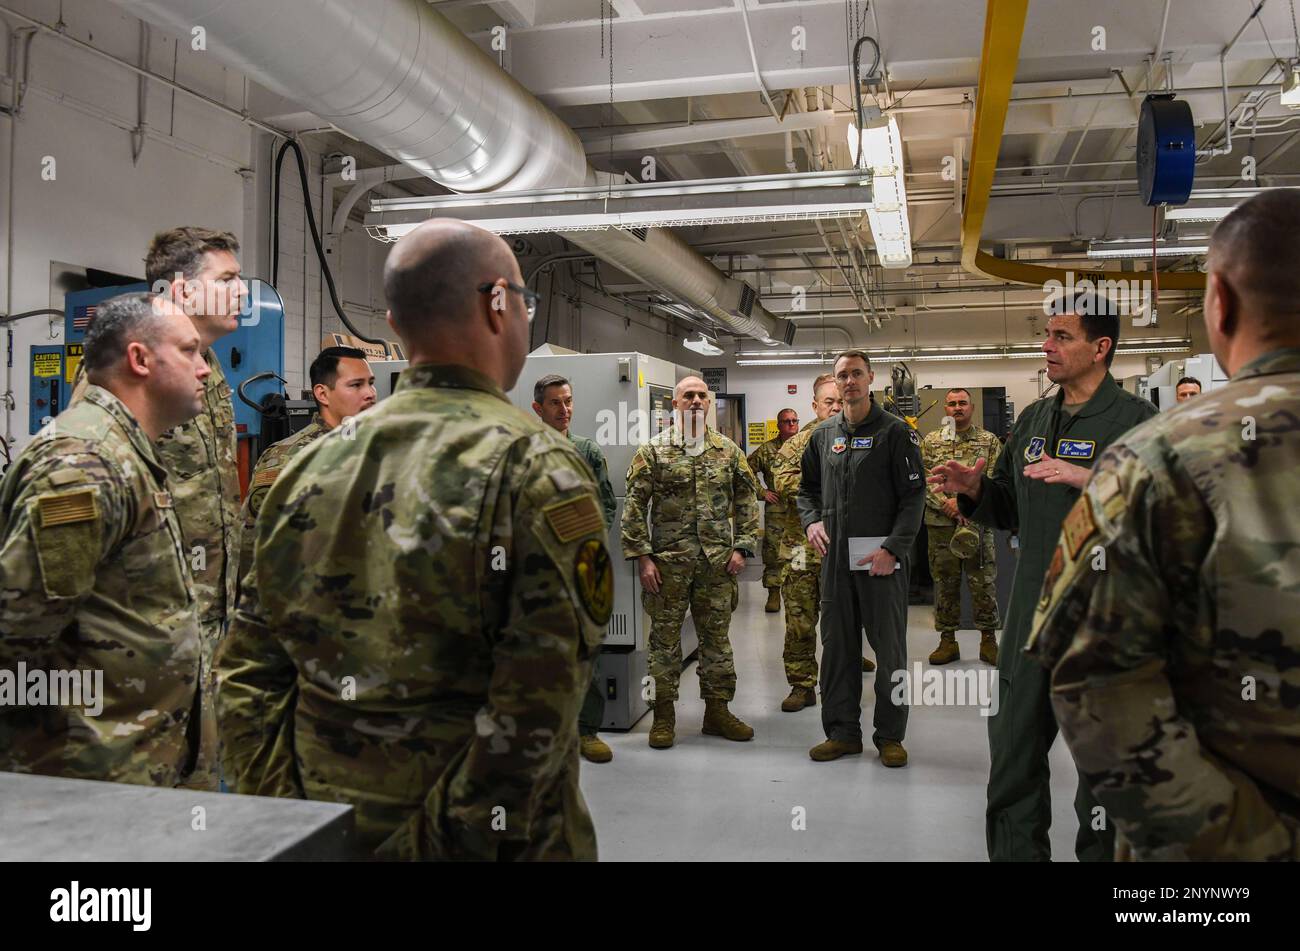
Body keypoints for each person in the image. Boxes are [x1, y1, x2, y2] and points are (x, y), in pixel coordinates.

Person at [218, 219, 607, 860]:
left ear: (394, 325)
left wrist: (294, 816)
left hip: (328, 825)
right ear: (498, 306)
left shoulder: (305, 468)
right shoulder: (538, 470)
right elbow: (536, 710)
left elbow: (248, 670)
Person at [1029, 188, 1300, 860]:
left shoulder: (1161, 457)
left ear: (1220, 303)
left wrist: (1239, 842)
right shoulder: (1070, 431)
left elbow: (1093, 678)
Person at [928, 291, 1156, 862]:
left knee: (1103, 774)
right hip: (1031, 613)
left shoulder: (1139, 424)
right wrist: (975, 489)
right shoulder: (1033, 418)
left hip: (1104, 619)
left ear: (1101, 348)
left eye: (1062, 337)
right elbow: (1009, 506)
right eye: (1046, 334)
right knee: (1012, 754)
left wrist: (1092, 479)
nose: (1046, 346)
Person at [0, 293, 207, 784]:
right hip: (89, 772)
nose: (203, 368)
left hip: (133, 761)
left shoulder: (125, 451)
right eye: (190, 351)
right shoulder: (85, 463)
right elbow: (16, 633)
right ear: (139, 359)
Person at [73, 227, 245, 791]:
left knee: (198, 770)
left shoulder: (208, 368)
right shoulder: (135, 370)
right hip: (143, 626)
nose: (242, 293)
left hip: (203, 614)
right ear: (182, 292)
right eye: (227, 280)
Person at [797, 351, 925, 765]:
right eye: (841, 376)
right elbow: (807, 490)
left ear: (870, 378)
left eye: (855, 374)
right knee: (837, 648)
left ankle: (890, 736)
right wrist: (812, 522)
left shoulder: (895, 433)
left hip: (880, 560)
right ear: (833, 384)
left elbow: (914, 497)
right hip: (835, 559)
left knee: (889, 653)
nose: (848, 382)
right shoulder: (822, 435)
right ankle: (842, 732)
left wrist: (894, 548)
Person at [621, 376, 760, 749]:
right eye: (688, 396)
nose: (696, 401)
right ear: (675, 404)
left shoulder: (728, 451)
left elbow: (748, 500)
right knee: (663, 644)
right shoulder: (653, 451)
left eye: (702, 396)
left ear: (708, 403)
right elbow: (634, 506)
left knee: (716, 641)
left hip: (717, 564)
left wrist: (742, 547)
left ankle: (717, 713)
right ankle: (663, 717)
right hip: (668, 566)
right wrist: (643, 558)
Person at [531, 372, 617, 764]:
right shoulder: (523, 453)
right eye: (555, 403)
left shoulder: (587, 451)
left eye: (568, 401)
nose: (564, 409)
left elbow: (608, 506)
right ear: (538, 408)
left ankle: (587, 731)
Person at [238, 346, 376, 576]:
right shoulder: (288, 457)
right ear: (322, 394)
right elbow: (255, 544)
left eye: (370, 382)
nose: (370, 393)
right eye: (356, 385)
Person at [770, 373, 850, 713]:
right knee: (800, 621)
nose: (834, 407)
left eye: (840, 401)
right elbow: (787, 485)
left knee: (845, 621)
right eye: (828, 402)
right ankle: (802, 685)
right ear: (815, 406)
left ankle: (842, 683)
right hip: (801, 548)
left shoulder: (859, 438)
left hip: (844, 548)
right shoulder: (795, 445)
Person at [919, 388, 1002, 666]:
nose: (957, 408)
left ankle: (988, 640)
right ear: (945, 409)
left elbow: (995, 478)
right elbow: (924, 480)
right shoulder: (931, 442)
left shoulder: (988, 441)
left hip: (977, 523)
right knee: (945, 584)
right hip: (941, 524)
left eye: (962, 403)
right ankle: (947, 641)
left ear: (972, 407)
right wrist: (949, 505)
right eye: (952, 404)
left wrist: (965, 505)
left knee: (983, 583)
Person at [747, 408, 800, 613]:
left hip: (801, 508)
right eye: (786, 421)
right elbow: (746, 469)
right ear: (778, 425)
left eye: (794, 420)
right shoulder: (767, 449)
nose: (791, 424)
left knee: (801, 550)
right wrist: (762, 492)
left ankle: (799, 593)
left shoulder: (806, 445)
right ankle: (774, 592)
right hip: (777, 509)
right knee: (773, 551)